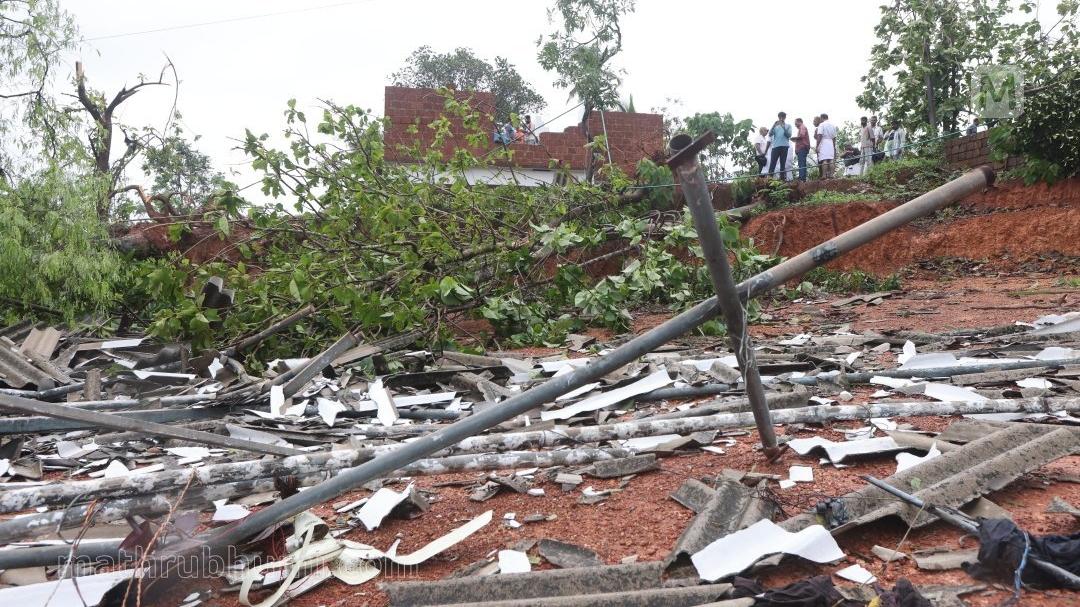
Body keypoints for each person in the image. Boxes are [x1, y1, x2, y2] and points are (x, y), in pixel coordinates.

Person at [767, 112, 792, 180]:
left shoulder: (788, 125)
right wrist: (773, 125)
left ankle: (782, 179)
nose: (781, 118)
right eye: (780, 117)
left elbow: (789, 135)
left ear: (784, 117)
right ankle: (769, 179)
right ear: (778, 117)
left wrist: (783, 127)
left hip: (784, 146)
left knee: (783, 163)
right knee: (773, 163)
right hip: (775, 147)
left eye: (783, 117)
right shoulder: (775, 126)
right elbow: (770, 134)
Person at [816, 113, 837, 179]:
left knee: (824, 159)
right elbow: (834, 138)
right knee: (831, 159)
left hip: (824, 142)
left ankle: (824, 175)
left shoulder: (821, 125)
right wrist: (833, 146)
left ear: (822, 118)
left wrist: (817, 146)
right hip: (830, 142)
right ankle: (831, 175)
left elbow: (819, 135)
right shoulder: (833, 125)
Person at [792, 117, 811, 182]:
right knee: (801, 163)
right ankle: (802, 177)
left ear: (799, 122)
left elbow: (802, 135)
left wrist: (794, 138)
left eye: (796, 123)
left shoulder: (802, 127)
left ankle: (802, 178)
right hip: (802, 148)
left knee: (801, 163)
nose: (795, 125)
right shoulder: (801, 127)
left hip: (802, 148)